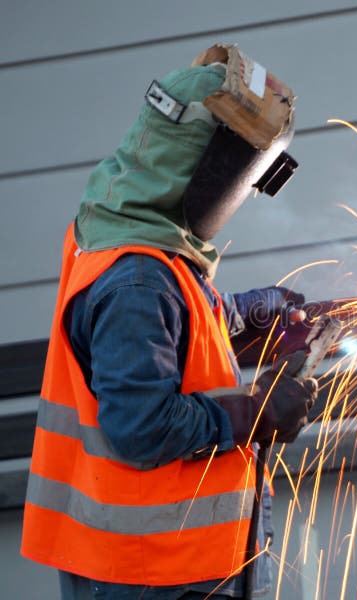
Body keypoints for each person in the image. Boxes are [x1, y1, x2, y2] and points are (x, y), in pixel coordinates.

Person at [20, 46, 316, 599]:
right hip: (151, 573)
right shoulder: (136, 279)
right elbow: (142, 426)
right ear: (207, 167)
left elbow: (168, 332)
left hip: (159, 564)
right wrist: (256, 412)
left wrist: (249, 310)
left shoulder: (126, 233)